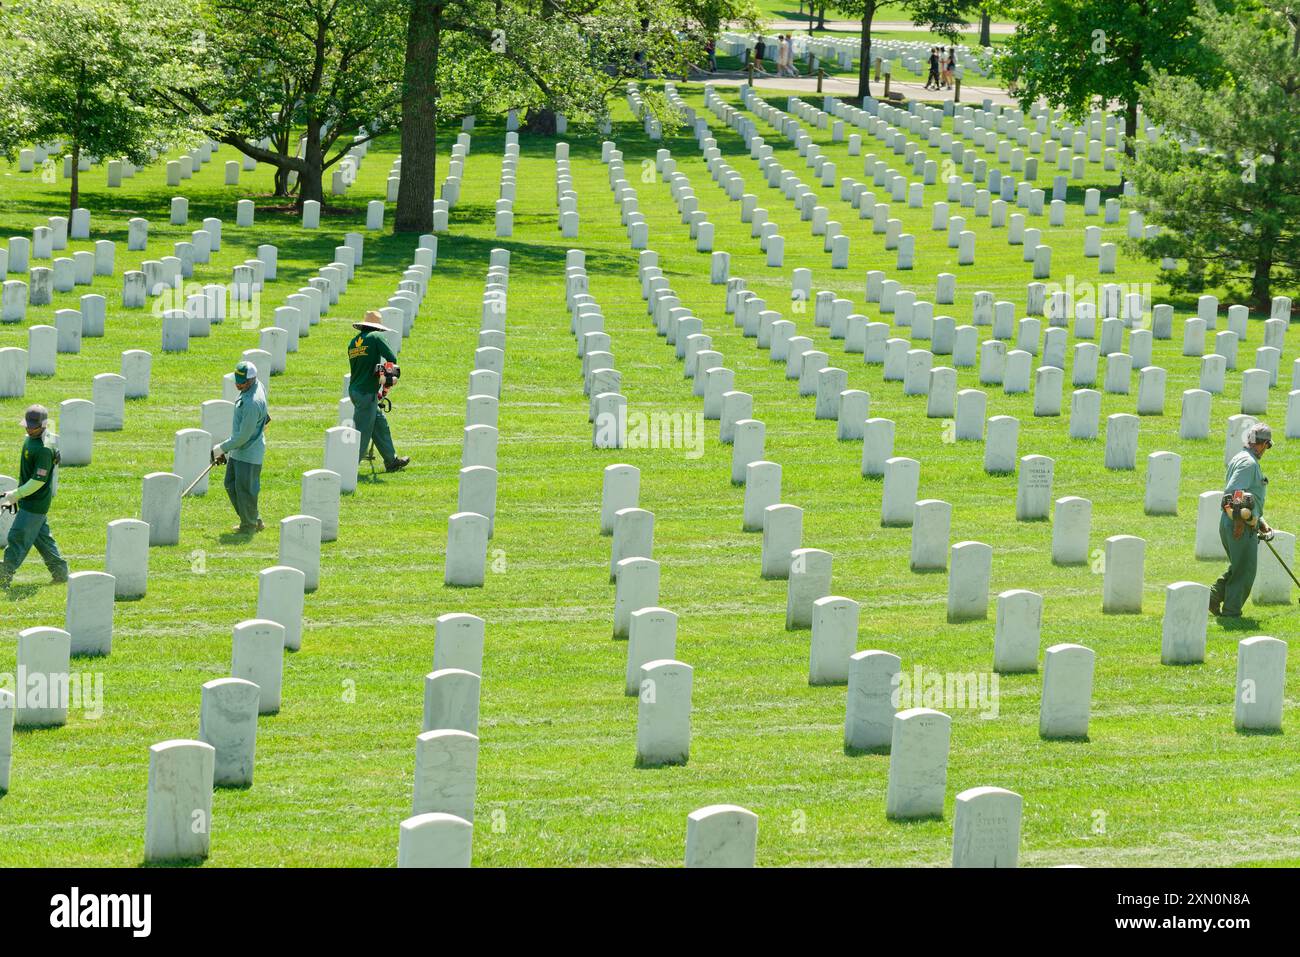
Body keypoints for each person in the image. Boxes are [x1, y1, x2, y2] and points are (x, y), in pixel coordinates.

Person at [0, 404, 69, 588]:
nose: (30, 430)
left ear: (43, 426)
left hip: (34, 503)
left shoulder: (44, 449)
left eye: (34, 427)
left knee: (17, 537)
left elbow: (38, 481)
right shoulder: (39, 436)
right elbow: (52, 430)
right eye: (28, 426)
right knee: (43, 540)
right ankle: (61, 573)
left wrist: (16, 494)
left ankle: (3, 577)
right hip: (30, 500)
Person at [1210, 423, 1274, 617]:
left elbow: (1247, 496)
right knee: (1244, 571)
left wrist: (1260, 521)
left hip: (1236, 524)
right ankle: (1231, 613)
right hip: (1240, 526)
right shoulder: (1249, 463)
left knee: (1240, 567)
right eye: (1267, 445)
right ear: (1262, 444)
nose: (1266, 449)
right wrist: (1249, 520)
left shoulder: (1241, 457)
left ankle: (1212, 598)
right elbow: (1233, 497)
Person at [347, 311, 410, 473]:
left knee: (380, 425)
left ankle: (391, 460)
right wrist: (388, 378)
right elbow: (391, 358)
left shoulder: (354, 342)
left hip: (356, 390)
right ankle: (348, 467)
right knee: (362, 432)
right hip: (367, 392)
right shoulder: (376, 336)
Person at [213, 359, 270, 535]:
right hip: (239, 450)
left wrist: (221, 448)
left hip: (249, 453)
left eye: (242, 382)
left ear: (252, 380)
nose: (237, 385)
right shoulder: (252, 387)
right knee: (231, 483)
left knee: (245, 491)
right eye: (236, 381)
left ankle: (248, 526)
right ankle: (254, 520)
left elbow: (243, 437)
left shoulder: (252, 403)